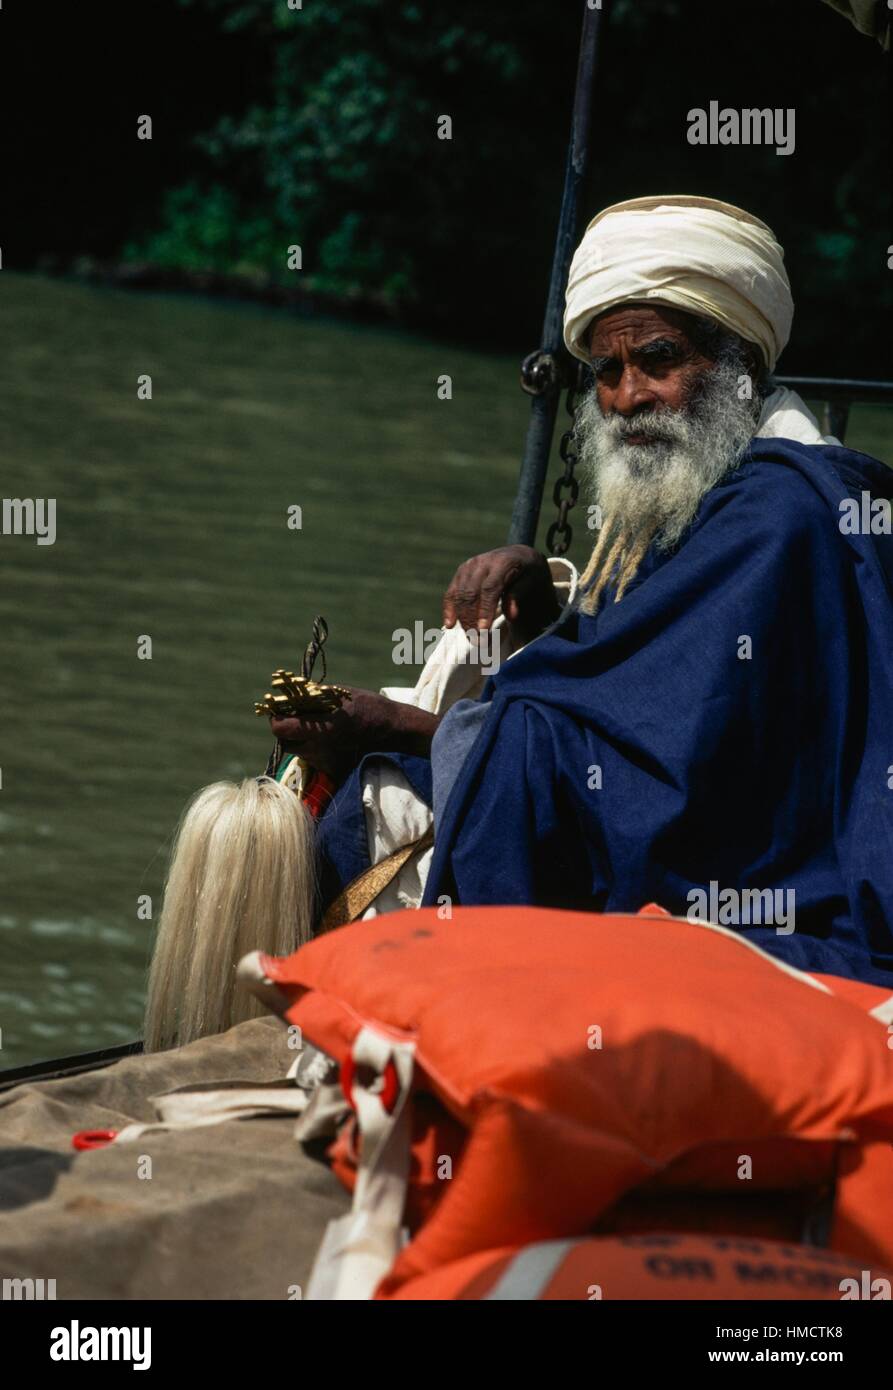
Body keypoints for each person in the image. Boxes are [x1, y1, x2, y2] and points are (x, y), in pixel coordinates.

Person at [274, 195, 893, 987]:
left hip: (754, 887)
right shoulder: (723, 486)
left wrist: (398, 724)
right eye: (605, 371)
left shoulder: (777, 513)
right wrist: (541, 610)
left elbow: (661, 772)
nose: (627, 396)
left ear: (740, 365)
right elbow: (646, 691)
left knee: (368, 807)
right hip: (718, 839)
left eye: (657, 360)